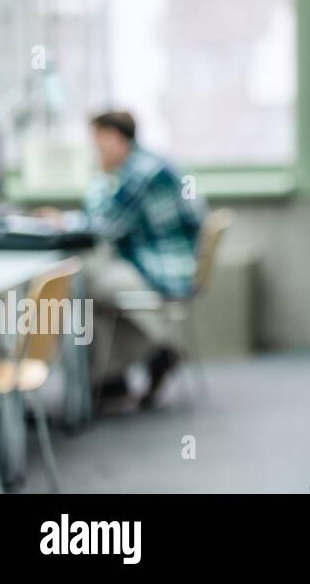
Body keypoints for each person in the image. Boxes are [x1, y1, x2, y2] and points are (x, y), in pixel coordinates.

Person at [78, 111, 203, 409]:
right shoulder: (147, 163)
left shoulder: (141, 172)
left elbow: (105, 225)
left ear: (113, 137)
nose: (95, 150)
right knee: (96, 291)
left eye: (97, 141)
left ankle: (157, 348)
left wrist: (99, 176)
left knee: (84, 285)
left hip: (164, 268)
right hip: (171, 261)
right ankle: (114, 377)